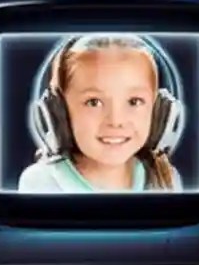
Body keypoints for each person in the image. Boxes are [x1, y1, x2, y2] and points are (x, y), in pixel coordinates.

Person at [18, 34, 183, 193]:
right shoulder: (41, 183)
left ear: (159, 112)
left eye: (134, 101)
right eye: (94, 102)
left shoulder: (166, 182)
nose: (116, 120)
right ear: (58, 114)